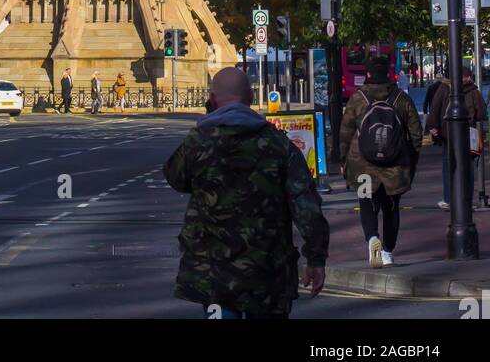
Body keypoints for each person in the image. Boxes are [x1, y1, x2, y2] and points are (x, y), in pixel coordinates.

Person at [163, 67, 328, 319]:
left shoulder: (198, 142)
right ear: (251, 97)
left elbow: (176, 178)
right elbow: (307, 208)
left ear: (212, 99)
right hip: (267, 273)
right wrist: (316, 259)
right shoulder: (278, 144)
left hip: (213, 274)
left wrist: (208, 120)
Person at [339, 55, 422, 266]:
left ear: (367, 73)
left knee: (366, 204)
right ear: (387, 73)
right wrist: (411, 159)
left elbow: (345, 133)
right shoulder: (401, 98)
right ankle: (387, 251)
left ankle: (372, 238)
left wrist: (343, 160)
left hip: (362, 166)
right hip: (394, 167)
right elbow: (416, 133)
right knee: (391, 209)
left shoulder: (357, 98)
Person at [428, 67, 487, 209]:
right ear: (468, 77)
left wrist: (433, 126)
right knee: (468, 167)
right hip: (468, 133)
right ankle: (467, 199)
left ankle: (449, 199)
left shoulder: (444, 88)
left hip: (448, 133)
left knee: (448, 165)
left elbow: (435, 107)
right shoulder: (473, 91)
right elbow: (481, 113)